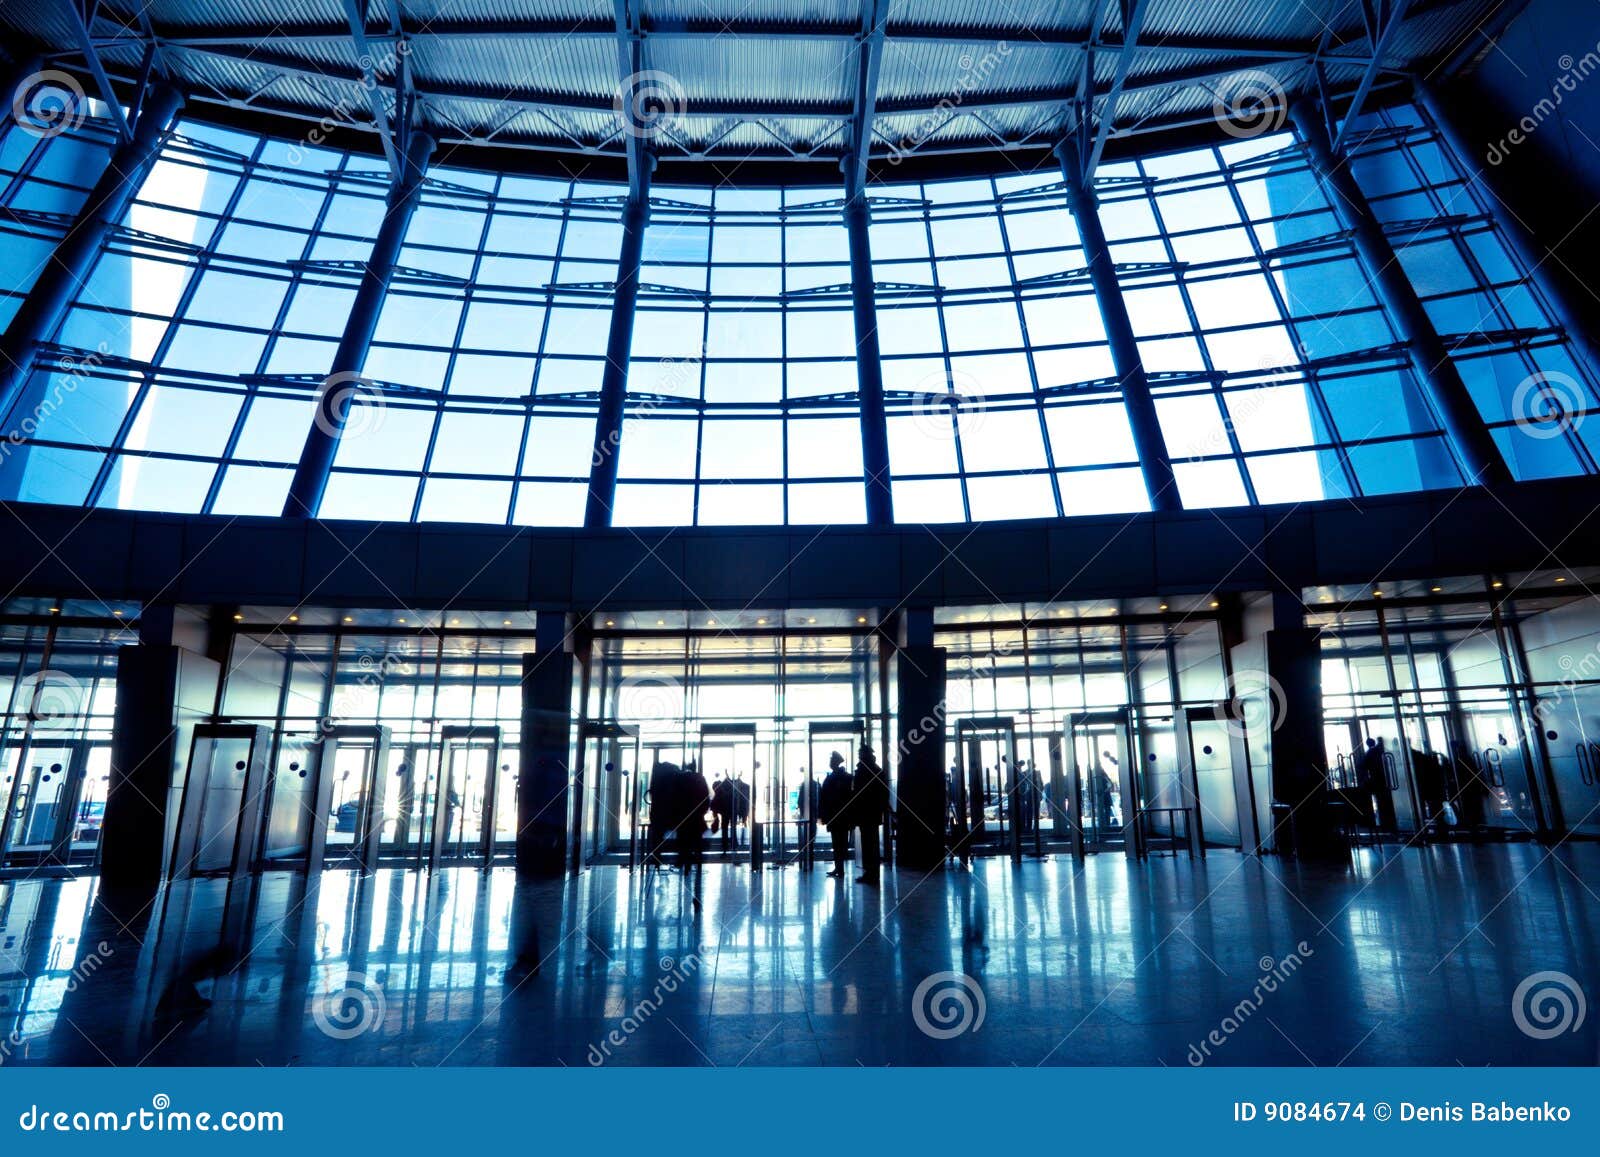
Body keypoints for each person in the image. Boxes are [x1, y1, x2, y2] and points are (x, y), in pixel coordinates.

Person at [852, 742, 888, 885]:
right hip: (872, 813)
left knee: (868, 844)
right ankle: (872, 873)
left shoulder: (864, 770)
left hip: (865, 812)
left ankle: (870, 874)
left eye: (860, 753)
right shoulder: (876, 770)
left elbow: (858, 794)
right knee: (871, 844)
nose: (859, 756)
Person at [818, 751, 853, 877]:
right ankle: (839, 867)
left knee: (839, 843)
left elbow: (825, 797)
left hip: (838, 816)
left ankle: (840, 868)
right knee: (839, 843)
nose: (830, 762)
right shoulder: (846, 777)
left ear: (836, 762)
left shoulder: (837, 778)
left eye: (832, 760)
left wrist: (823, 814)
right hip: (842, 816)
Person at [797, 765, 820, 864]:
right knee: (812, 835)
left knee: (805, 836)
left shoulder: (804, 785)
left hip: (806, 815)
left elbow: (800, 801)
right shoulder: (817, 784)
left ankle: (806, 855)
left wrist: (801, 812)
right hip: (814, 814)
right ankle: (810, 855)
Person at [711, 773, 736, 853]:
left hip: (725, 812)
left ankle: (726, 846)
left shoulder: (719, 791)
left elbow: (714, 803)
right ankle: (733, 845)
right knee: (732, 828)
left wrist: (715, 815)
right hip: (730, 810)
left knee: (725, 829)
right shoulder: (730, 790)